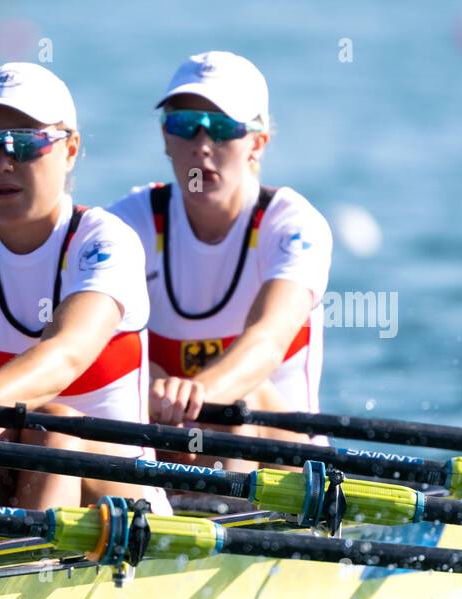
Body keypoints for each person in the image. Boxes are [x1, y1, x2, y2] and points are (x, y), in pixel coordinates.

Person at [0, 63, 167, 512]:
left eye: (23, 144)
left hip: (120, 491)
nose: (2, 163)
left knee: (51, 425)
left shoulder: (105, 242)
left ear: (70, 149)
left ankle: (19, 562)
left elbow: (66, 354)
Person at [109, 52, 333, 459]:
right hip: (173, 446)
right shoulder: (128, 224)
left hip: (284, 459)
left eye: (222, 128)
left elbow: (267, 340)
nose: (202, 146)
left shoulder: (292, 226)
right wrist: (153, 384)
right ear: (165, 138)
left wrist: (191, 396)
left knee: (236, 401)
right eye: (185, 126)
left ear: (257, 143)